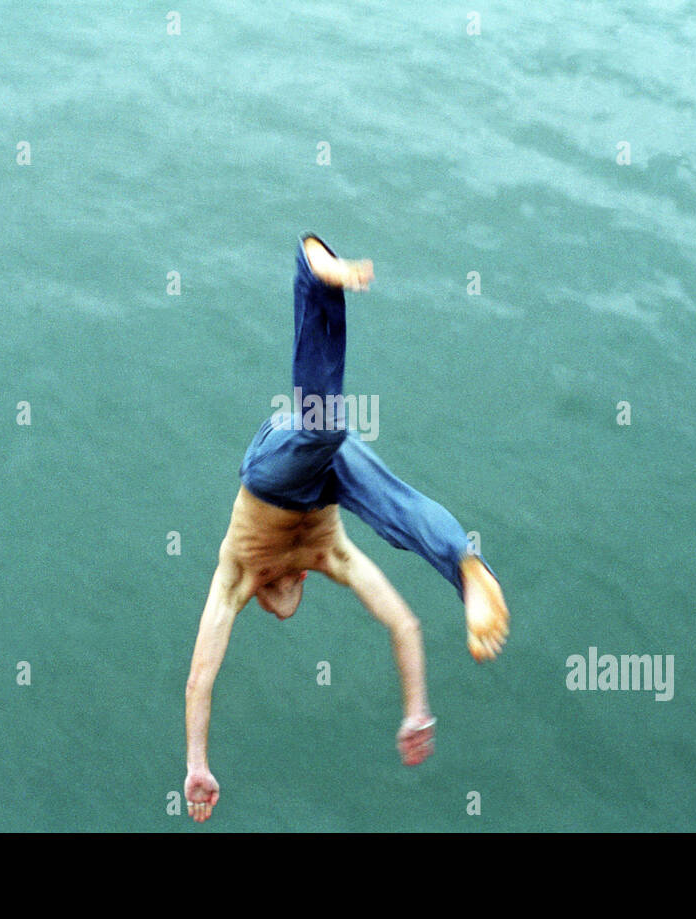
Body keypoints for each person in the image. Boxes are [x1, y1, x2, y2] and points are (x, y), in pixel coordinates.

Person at [183, 234, 509, 823]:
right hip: (329, 479)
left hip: (273, 470)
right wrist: (416, 711)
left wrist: (195, 763)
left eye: (280, 605)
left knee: (320, 427)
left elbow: (201, 675)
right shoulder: (329, 556)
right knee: (395, 512)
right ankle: (468, 569)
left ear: (263, 597)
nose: (287, 607)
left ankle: (311, 270)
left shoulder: (236, 575)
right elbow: (402, 622)